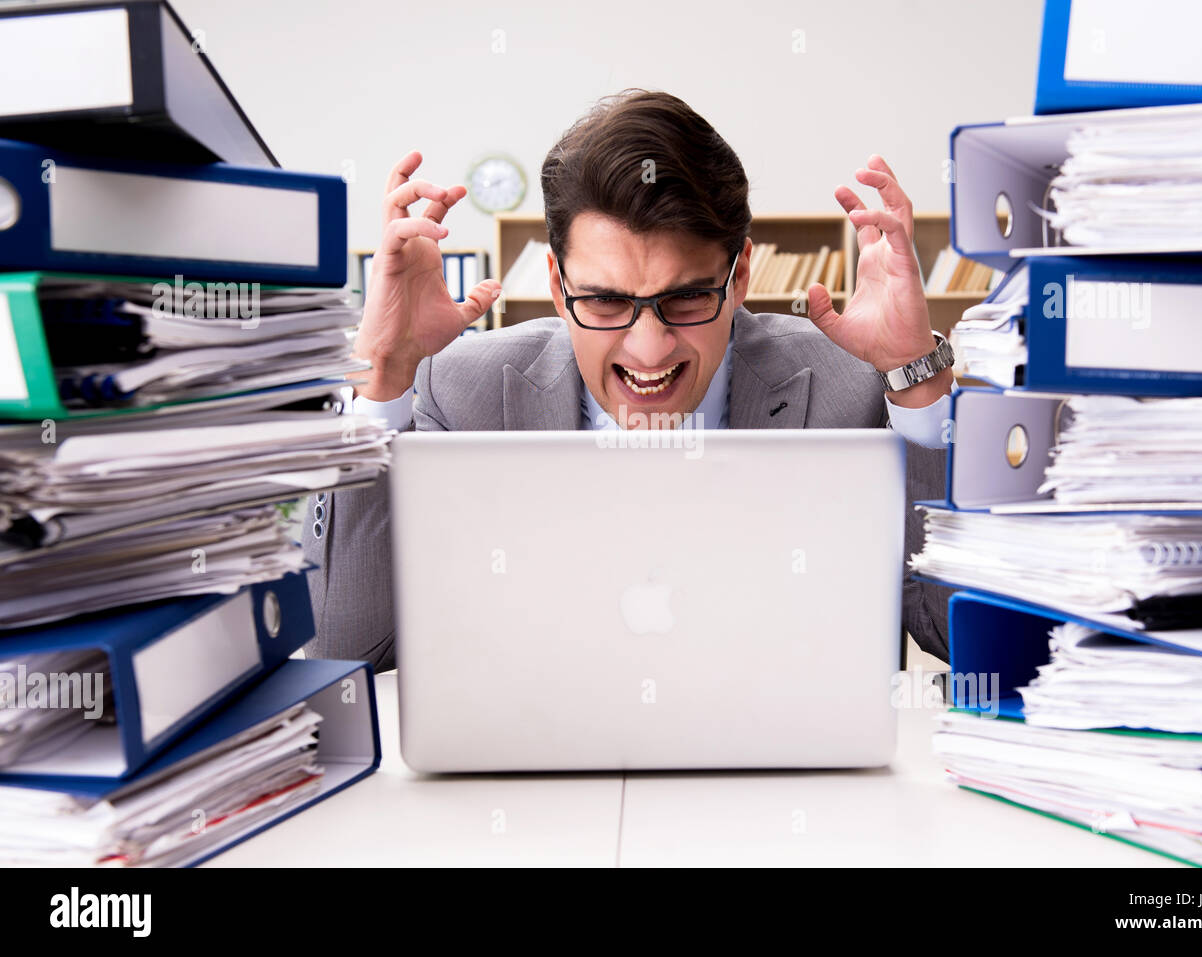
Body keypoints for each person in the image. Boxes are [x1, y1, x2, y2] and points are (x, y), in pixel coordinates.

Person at [303, 89, 956, 672]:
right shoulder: (463, 391)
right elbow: (352, 648)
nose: (649, 347)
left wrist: (916, 384)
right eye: (608, 301)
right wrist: (384, 381)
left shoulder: (856, 387)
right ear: (558, 288)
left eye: (688, 297)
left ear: (740, 277)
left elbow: (950, 634)